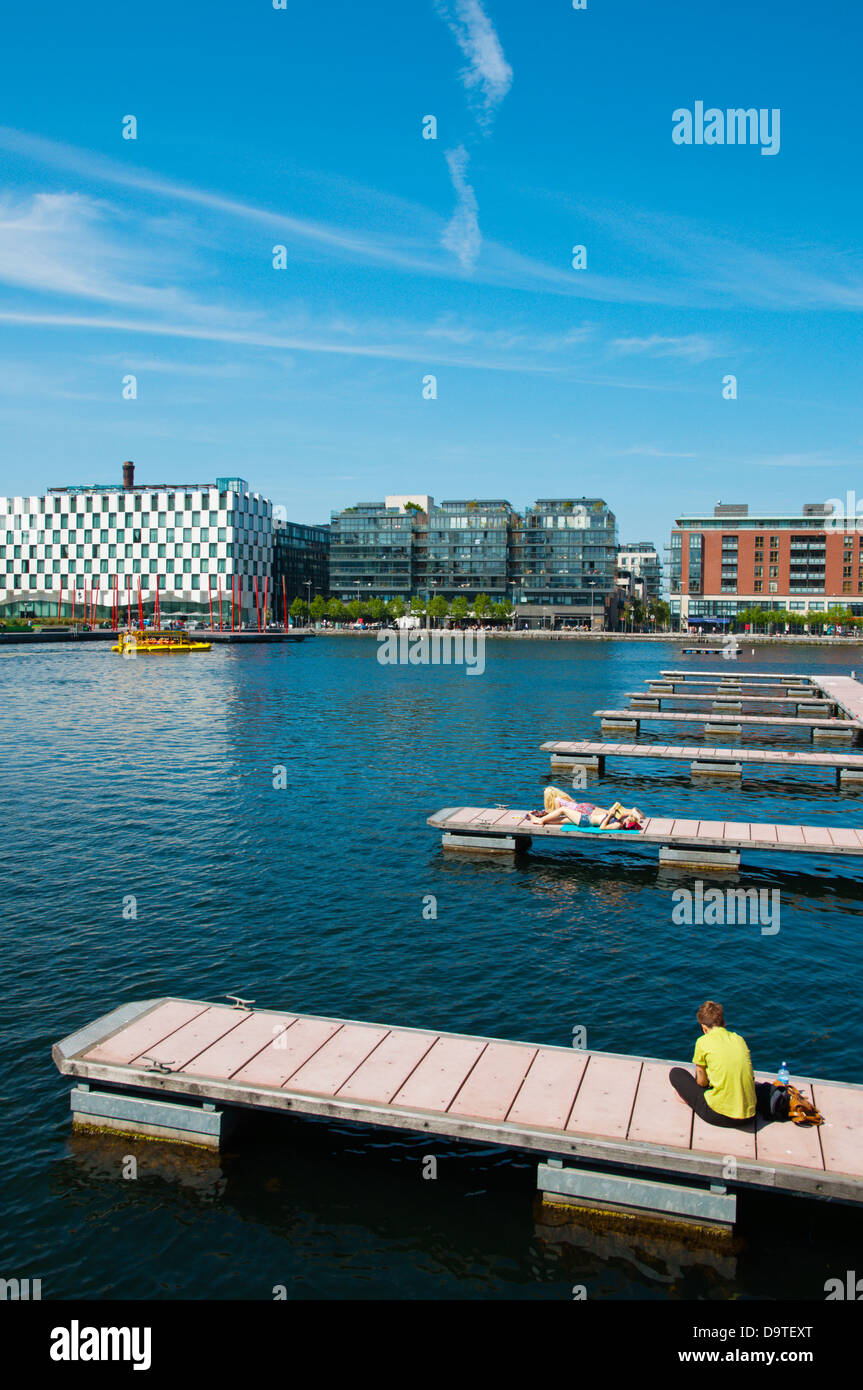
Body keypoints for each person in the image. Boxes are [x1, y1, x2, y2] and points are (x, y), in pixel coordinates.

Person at [668, 1000, 756, 1128]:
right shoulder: (739, 1039)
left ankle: (688, 1100)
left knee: (676, 1073)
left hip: (720, 1115)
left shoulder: (702, 1042)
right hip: (749, 1115)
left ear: (704, 1028)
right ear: (723, 1023)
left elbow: (702, 1082)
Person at [527, 786, 644, 830]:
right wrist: (624, 814)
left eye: (627, 819)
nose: (625, 819)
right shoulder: (619, 822)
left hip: (585, 817)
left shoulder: (618, 825)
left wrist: (609, 815)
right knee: (560, 821)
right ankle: (536, 818)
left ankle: (539, 820)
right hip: (586, 815)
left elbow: (603, 828)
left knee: (563, 812)